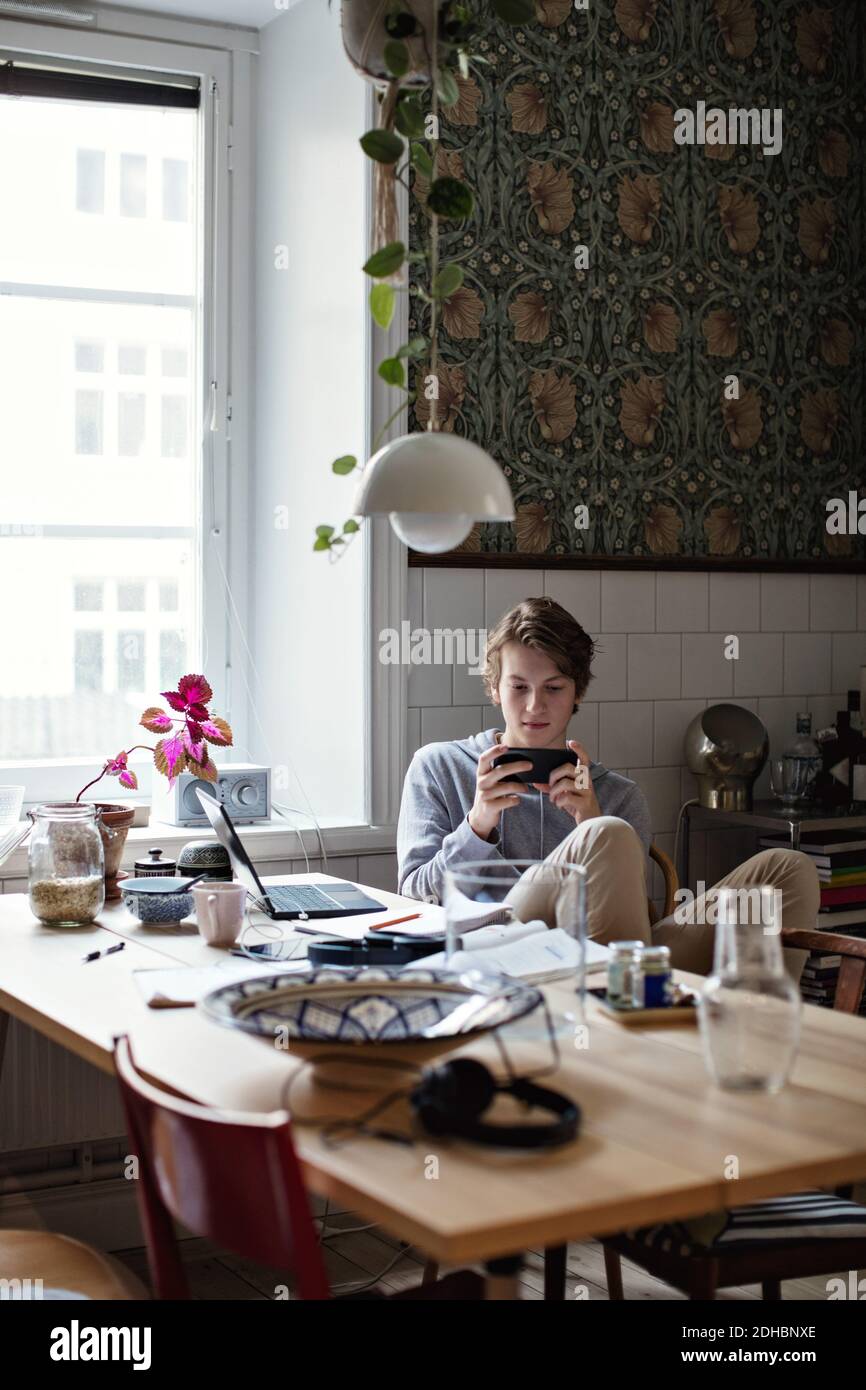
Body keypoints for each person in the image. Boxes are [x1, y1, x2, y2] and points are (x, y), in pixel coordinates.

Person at [397, 596, 818, 977]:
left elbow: (631, 922)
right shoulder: (440, 766)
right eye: (519, 686)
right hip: (504, 952)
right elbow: (413, 897)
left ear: (578, 692)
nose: (534, 706)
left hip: (618, 959)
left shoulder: (617, 794)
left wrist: (588, 820)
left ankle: (756, 1040)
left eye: (554, 688)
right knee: (607, 833)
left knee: (788, 869)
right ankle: (626, 1021)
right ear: (494, 688)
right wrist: (477, 825)